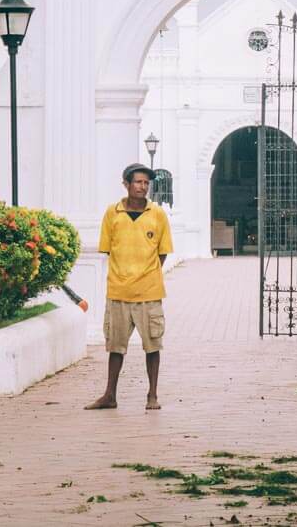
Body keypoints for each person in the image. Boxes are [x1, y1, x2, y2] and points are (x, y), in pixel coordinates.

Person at [85, 162, 173, 411]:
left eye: (146, 183)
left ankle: (152, 395)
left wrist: (146, 273)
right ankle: (109, 395)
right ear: (126, 184)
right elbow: (108, 249)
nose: (142, 187)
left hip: (149, 291)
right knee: (115, 346)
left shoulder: (158, 214)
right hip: (118, 291)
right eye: (138, 182)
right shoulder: (112, 214)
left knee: (153, 345)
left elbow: (162, 252)